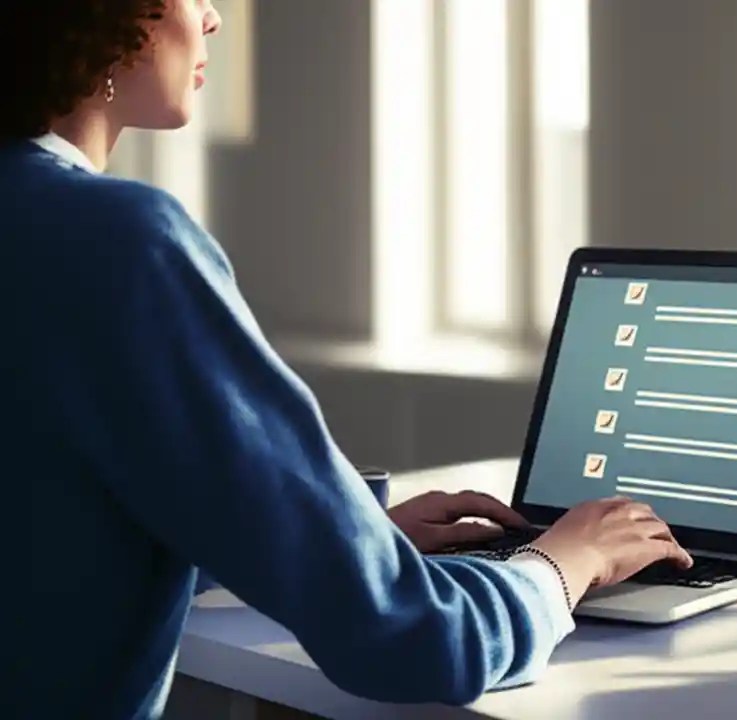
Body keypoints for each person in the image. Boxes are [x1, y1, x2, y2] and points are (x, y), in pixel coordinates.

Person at [2, 2, 692, 718]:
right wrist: (567, 562)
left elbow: (46, 532)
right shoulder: (120, 245)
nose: (211, 17)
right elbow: (416, 643)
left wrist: (348, 534)